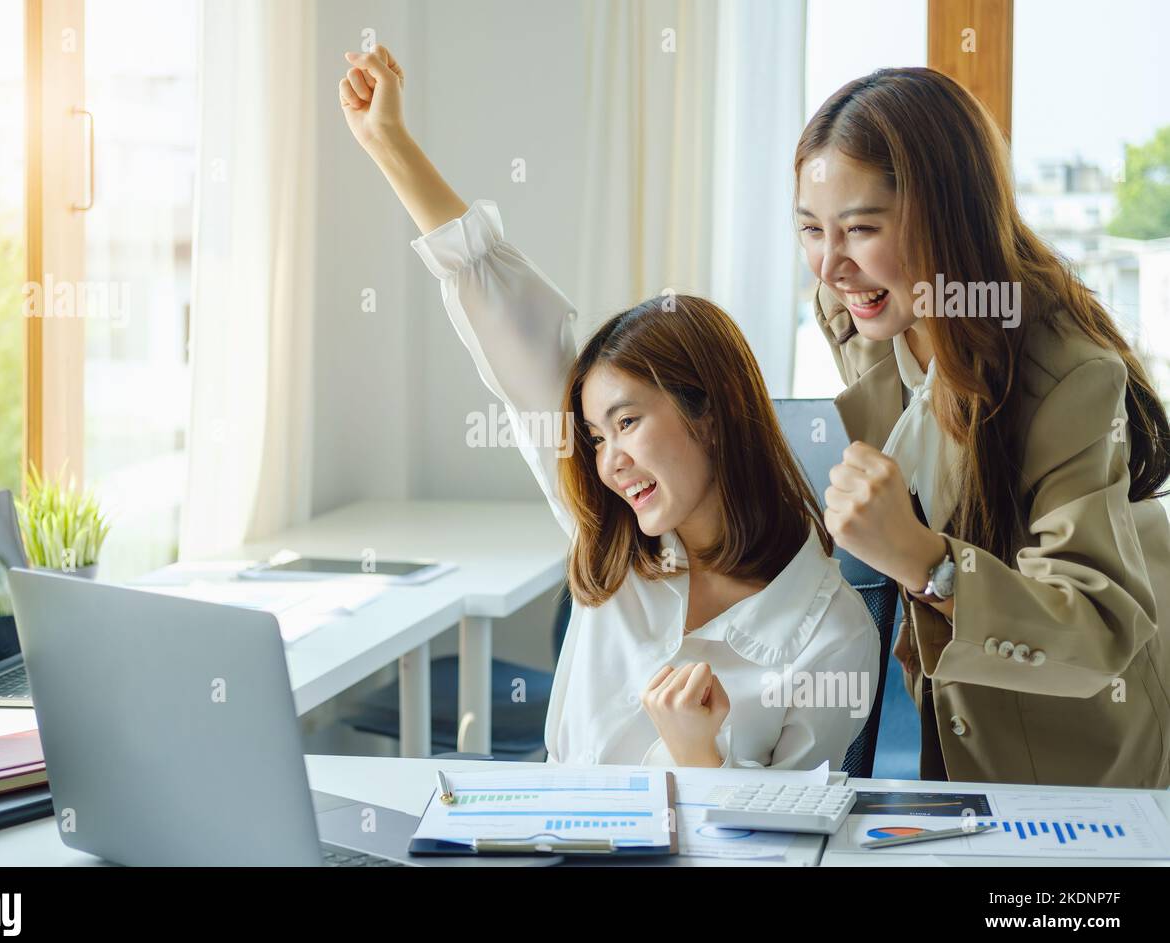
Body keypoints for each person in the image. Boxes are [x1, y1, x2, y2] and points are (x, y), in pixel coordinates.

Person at [339, 45, 878, 769]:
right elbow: (512, 328)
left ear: (711, 415)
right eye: (594, 436)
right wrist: (389, 144)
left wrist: (697, 755)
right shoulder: (618, 542)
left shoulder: (833, 633)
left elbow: (778, 845)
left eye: (626, 423)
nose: (609, 461)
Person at [796, 68, 1170, 788]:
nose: (831, 264)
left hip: (1079, 756)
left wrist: (925, 563)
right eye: (811, 228)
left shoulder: (1066, 374)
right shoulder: (866, 308)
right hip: (944, 744)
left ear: (948, 217)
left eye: (861, 228)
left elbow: (1096, 627)